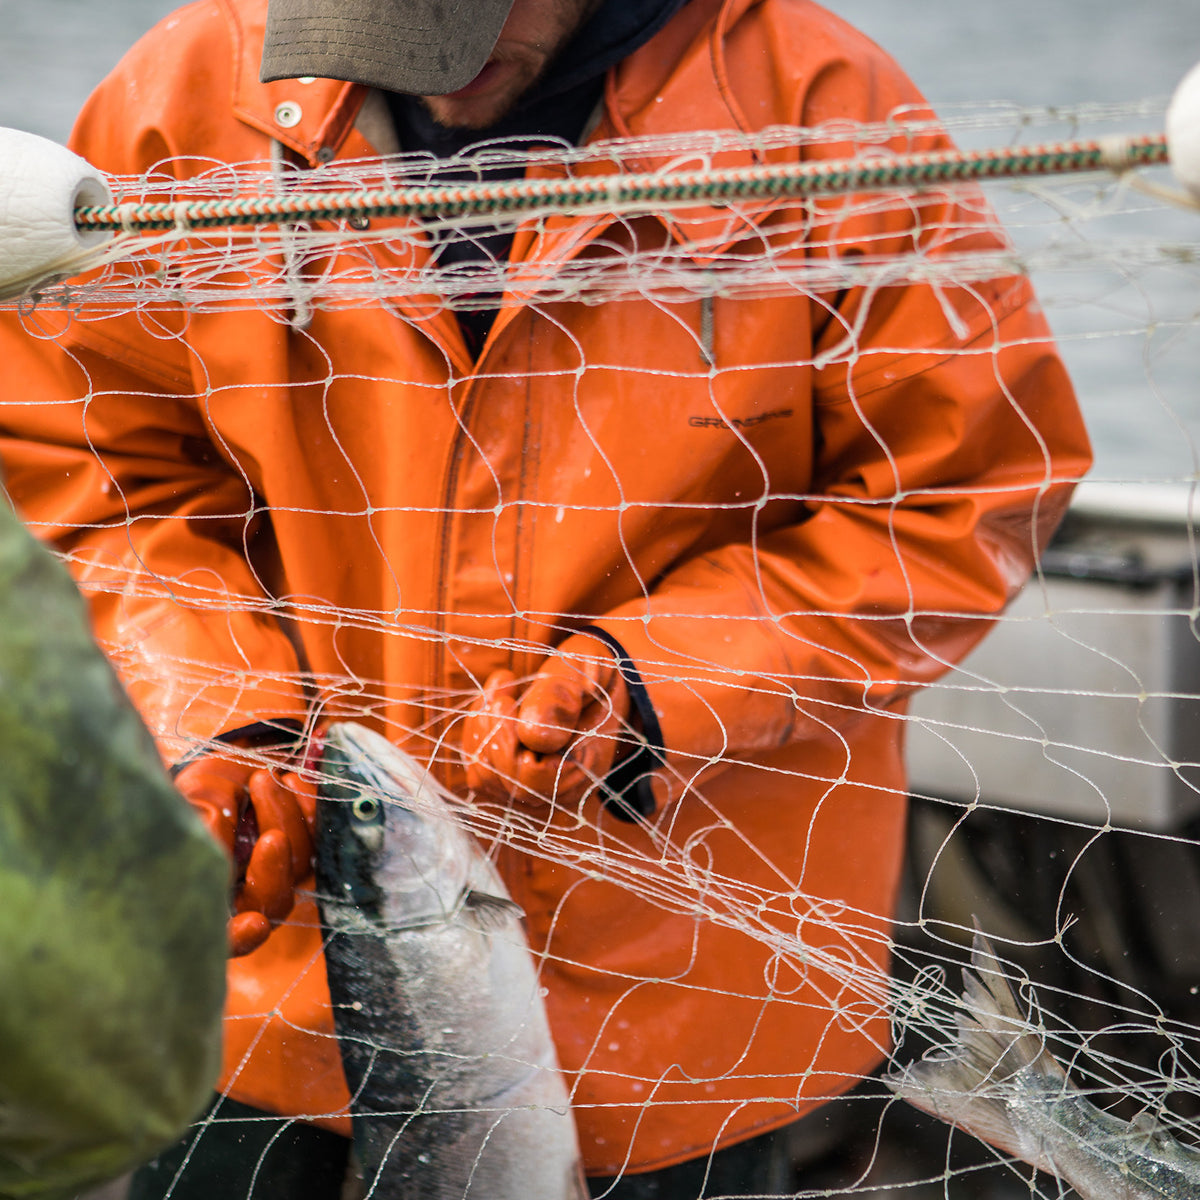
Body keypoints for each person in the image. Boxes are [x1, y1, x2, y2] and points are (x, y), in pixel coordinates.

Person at [0, 0, 1093, 1195]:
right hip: (262, 1006)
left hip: (686, 1025)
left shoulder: (823, 104)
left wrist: (654, 689)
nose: (438, 84)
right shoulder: (182, 92)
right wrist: (228, 723)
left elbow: (965, 488)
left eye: (458, 31)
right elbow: (91, 472)